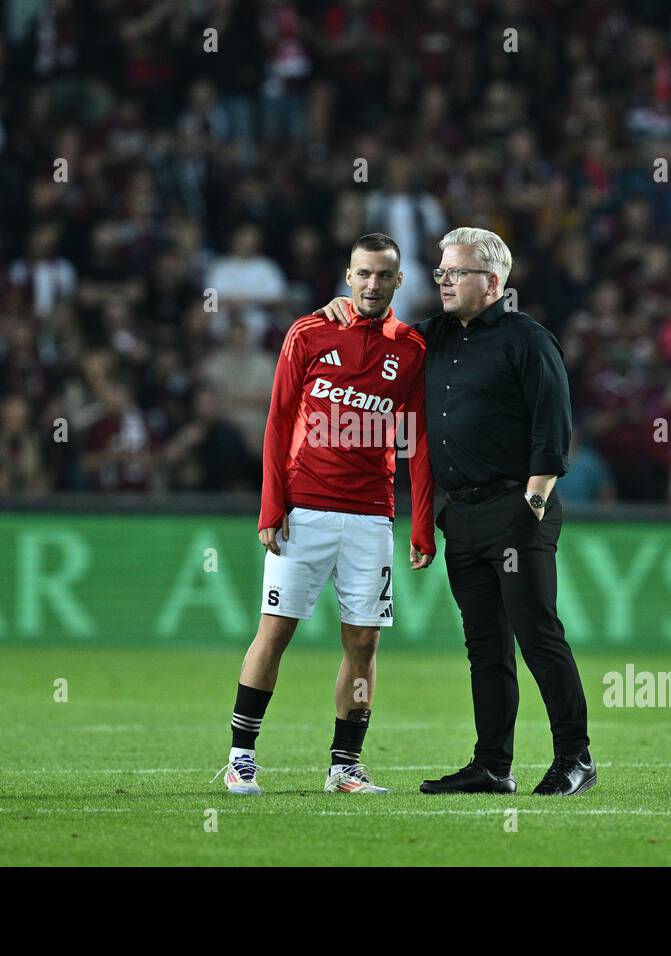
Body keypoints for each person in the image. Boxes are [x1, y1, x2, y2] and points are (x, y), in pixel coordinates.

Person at [317, 227, 595, 796]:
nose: (442, 279)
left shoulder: (529, 340)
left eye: (455, 272)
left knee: (536, 633)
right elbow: (378, 343)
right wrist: (337, 313)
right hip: (462, 515)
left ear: (491, 282)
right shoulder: (431, 336)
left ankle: (576, 758)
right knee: (484, 646)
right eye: (441, 271)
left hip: (517, 507)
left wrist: (533, 504)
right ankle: (493, 764)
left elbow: (553, 431)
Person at [218, 233, 434, 797]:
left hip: (371, 516)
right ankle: (241, 757)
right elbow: (277, 421)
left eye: (383, 276)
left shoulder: (411, 348)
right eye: (363, 274)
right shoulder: (308, 333)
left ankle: (345, 766)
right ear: (347, 276)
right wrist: (271, 505)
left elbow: (420, 440)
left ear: (398, 282)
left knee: (363, 643)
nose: (372, 284)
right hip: (305, 510)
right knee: (275, 631)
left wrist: (420, 521)